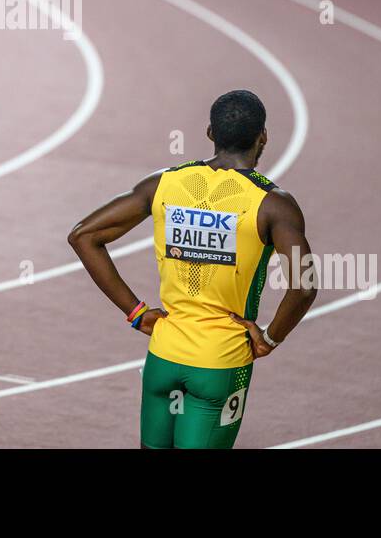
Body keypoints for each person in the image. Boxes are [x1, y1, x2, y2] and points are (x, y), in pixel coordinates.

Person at [68, 90, 318, 449]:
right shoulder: (273, 205)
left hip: (163, 356)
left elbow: (84, 236)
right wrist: (269, 338)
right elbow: (304, 286)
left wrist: (136, 313)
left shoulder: (164, 184)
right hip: (221, 362)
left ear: (210, 133)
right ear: (263, 136)